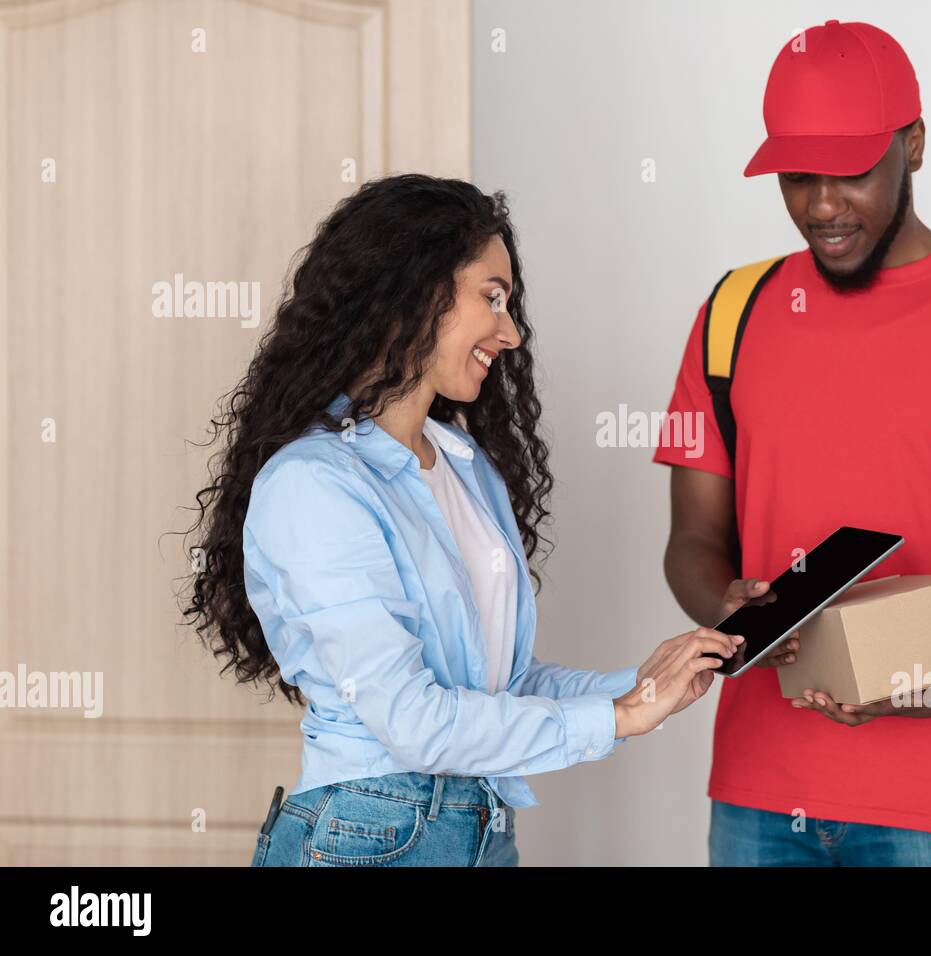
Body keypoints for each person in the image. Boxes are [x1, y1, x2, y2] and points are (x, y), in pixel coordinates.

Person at [653, 21, 931, 866]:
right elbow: (691, 540)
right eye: (797, 177)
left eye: (852, 172)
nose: (822, 206)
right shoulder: (732, 315)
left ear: (914, 143)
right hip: (760, 798)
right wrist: (725, 604)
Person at [183, 174, 738, 867]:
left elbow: (492, 691)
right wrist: (617, 717)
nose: (510, 332)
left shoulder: (464, 466)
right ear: (414, 293)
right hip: (370, 837)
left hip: (473, 830)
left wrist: (638, 688)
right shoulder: (313, 486)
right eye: (493, 298)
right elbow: (412, 721)